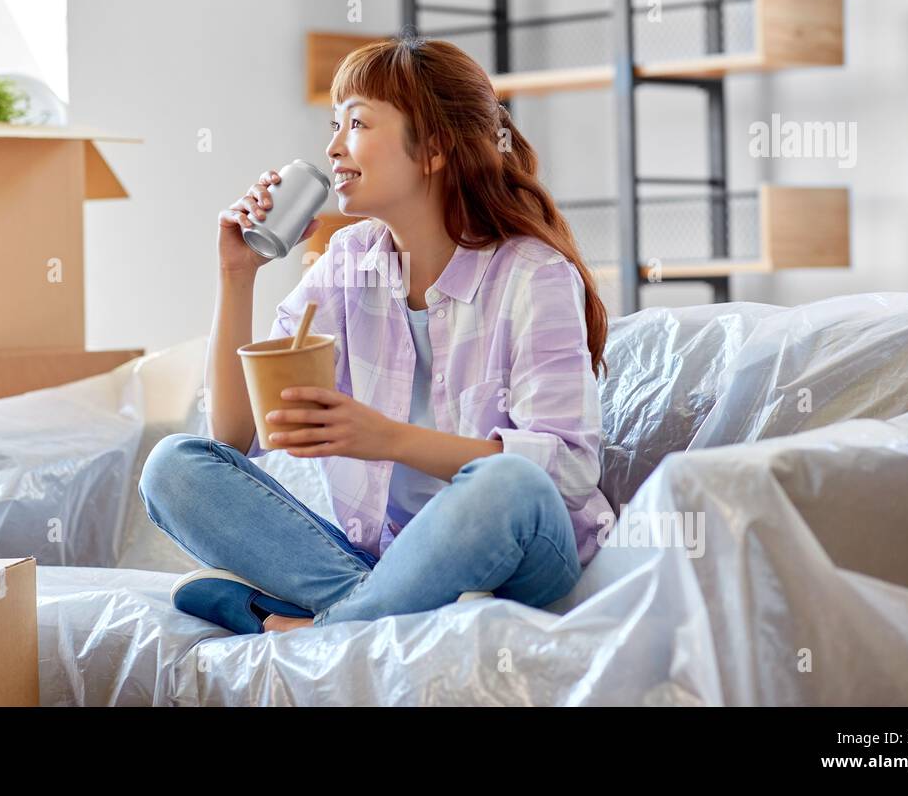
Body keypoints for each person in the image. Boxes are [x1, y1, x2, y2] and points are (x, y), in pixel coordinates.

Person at [139, 35, 612, 636]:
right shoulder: (348, 259)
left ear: (434, 148)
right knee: (174, 467)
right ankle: (376, 609)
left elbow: (566, 471)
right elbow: (235, 436)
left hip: (523, 553)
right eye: (334, 125)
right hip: (387, 560)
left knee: (508, 481)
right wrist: (237, 276)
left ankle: (319, 626)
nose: (333, 148)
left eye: (356, 123)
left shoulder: (532, 275)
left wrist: (387, 438)